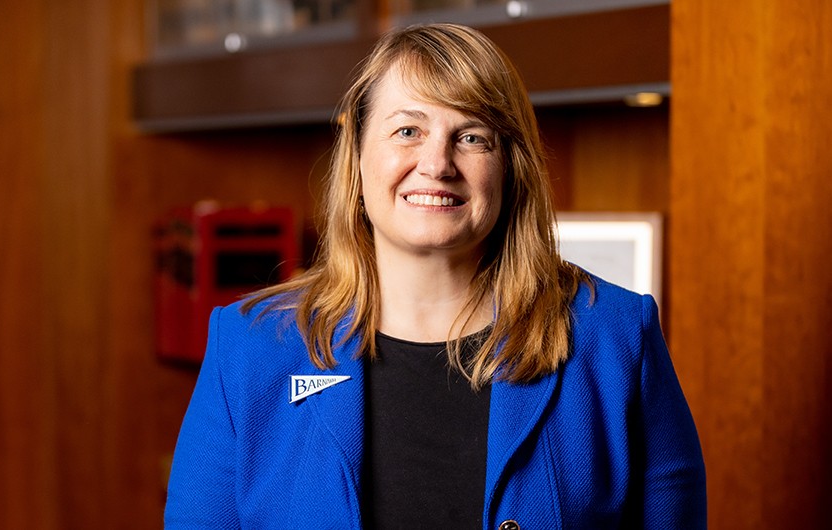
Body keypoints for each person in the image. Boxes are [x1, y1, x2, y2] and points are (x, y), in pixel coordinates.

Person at [164, 23, 706, 529]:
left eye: (472, 137)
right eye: (407, 130)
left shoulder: (615, 338)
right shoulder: (249, 347)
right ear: (356, 159)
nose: (437, 163)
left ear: (511, 168)